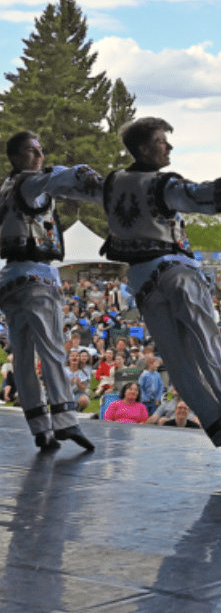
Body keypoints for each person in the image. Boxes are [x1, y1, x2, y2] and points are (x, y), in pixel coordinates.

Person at [99, 117, 221, 470]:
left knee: (179, 365)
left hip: (143, 282)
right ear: (145, 148)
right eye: (162, 141)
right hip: (177, 273)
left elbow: (72, 184)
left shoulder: (111, 183)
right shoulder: (164, 184)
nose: (170, 147)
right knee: (207, 348)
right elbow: (202, 196)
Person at [0, 131, 100, 451]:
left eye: (41, 151)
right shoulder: (29, 183)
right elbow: (53, 179)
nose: (40, 156)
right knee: (53, 350)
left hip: (10, 279)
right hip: (36, 278)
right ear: (16, 157)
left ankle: (40, 428)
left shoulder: (5, 187)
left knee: (22, 356)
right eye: (33, 151)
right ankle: (65, 421)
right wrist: (84, 174)